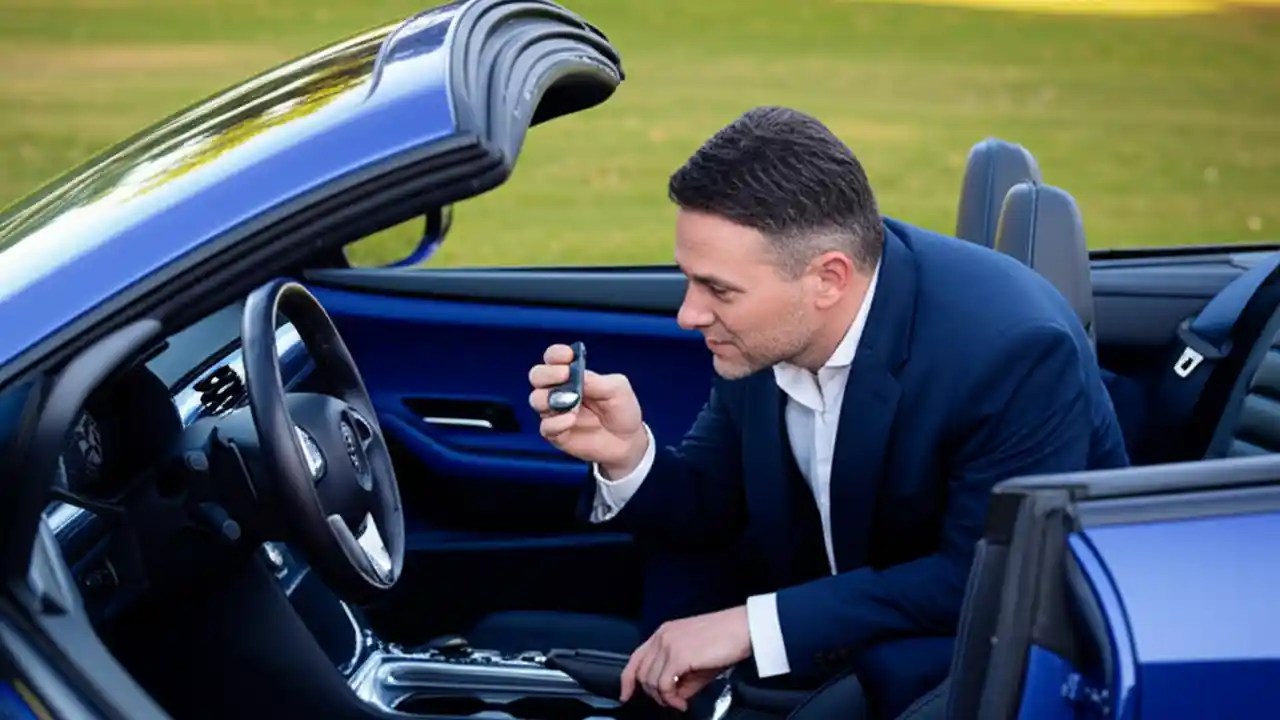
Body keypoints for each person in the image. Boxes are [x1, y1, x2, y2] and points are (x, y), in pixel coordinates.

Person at [527, 106, 1128, 718]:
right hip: (848, 642)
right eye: (689, 280)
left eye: (719, 290)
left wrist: (754, 627)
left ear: (828, 278)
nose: (689, 314)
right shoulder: (769, 333)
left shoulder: (1014, 352)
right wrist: (630, 457)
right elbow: (715, 506)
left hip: (960, 669)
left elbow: (977, 584)